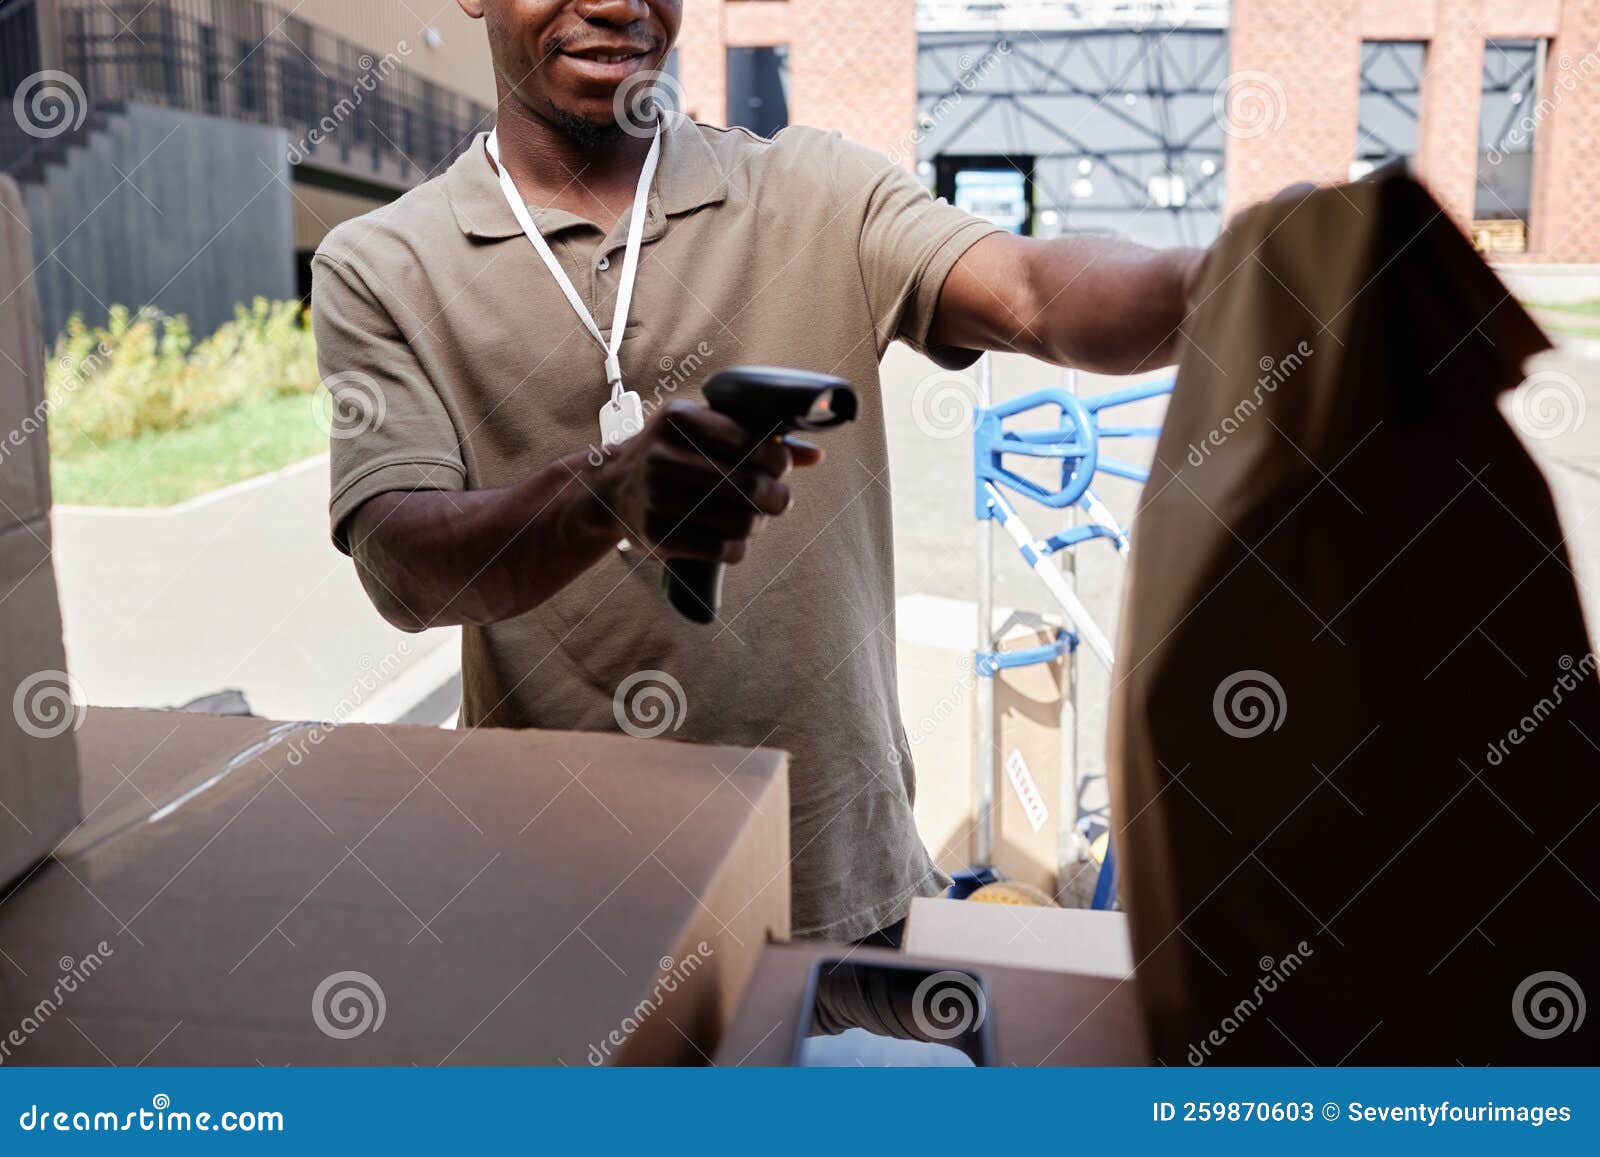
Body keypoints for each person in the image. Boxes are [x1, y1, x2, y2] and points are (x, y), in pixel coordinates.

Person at [311, 0, 1205, 945]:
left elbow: (1033, 291)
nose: (619, 4)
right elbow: (403, 565)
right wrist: (604, 496)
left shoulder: (818, 190)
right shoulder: (383, 265)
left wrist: (1244, 275)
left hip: (833, 890)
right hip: (547, 908)